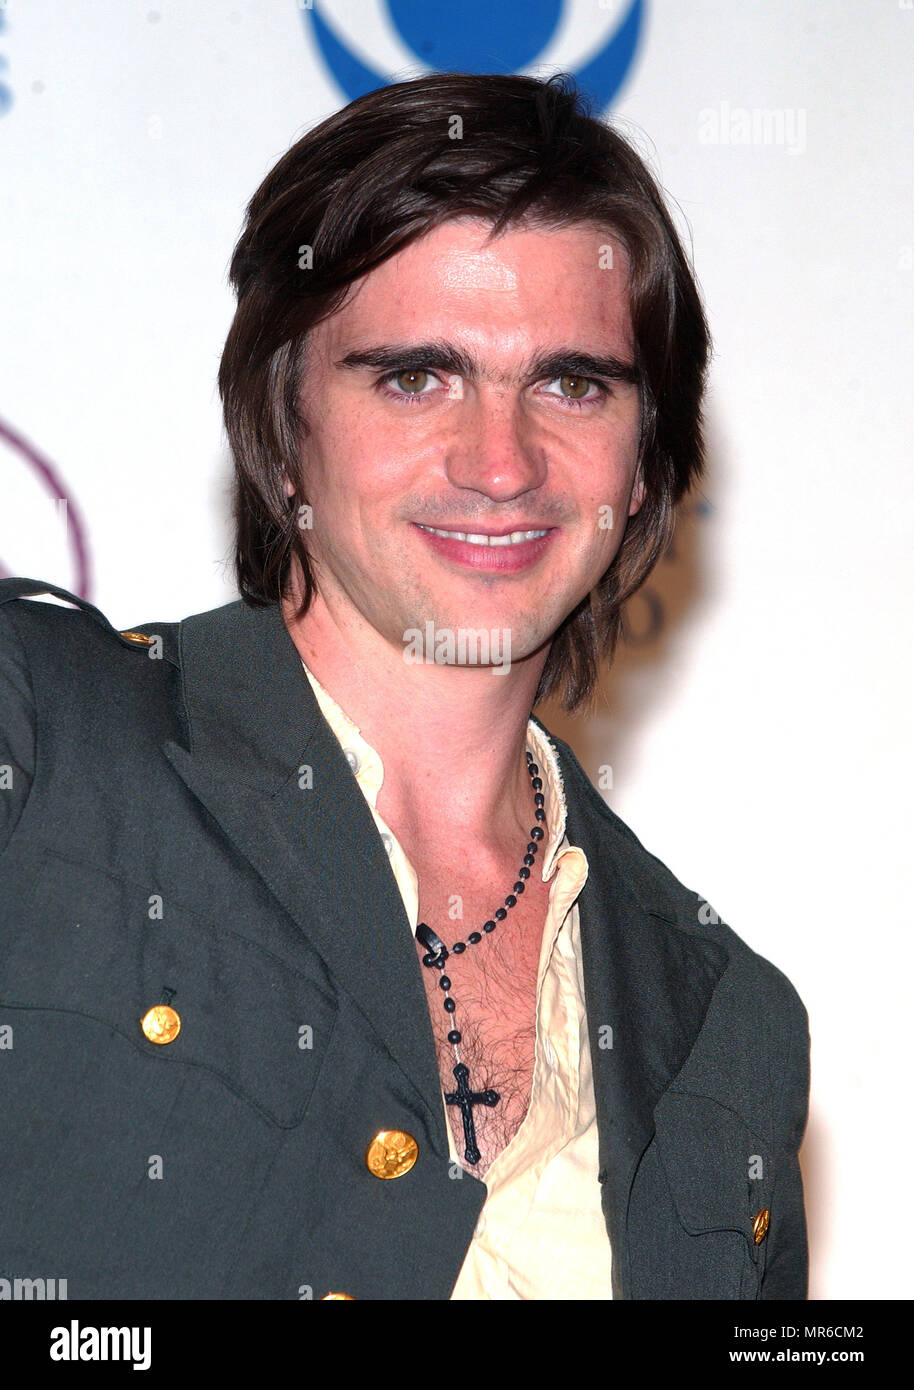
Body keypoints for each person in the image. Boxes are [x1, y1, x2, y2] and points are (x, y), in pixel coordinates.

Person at [0, 71, 809, 1300]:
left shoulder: (727, 1026)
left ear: (643, 465)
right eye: (415, 377)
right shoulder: (45, 748)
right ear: (283, 426)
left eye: (570, 383)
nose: (501, 462)